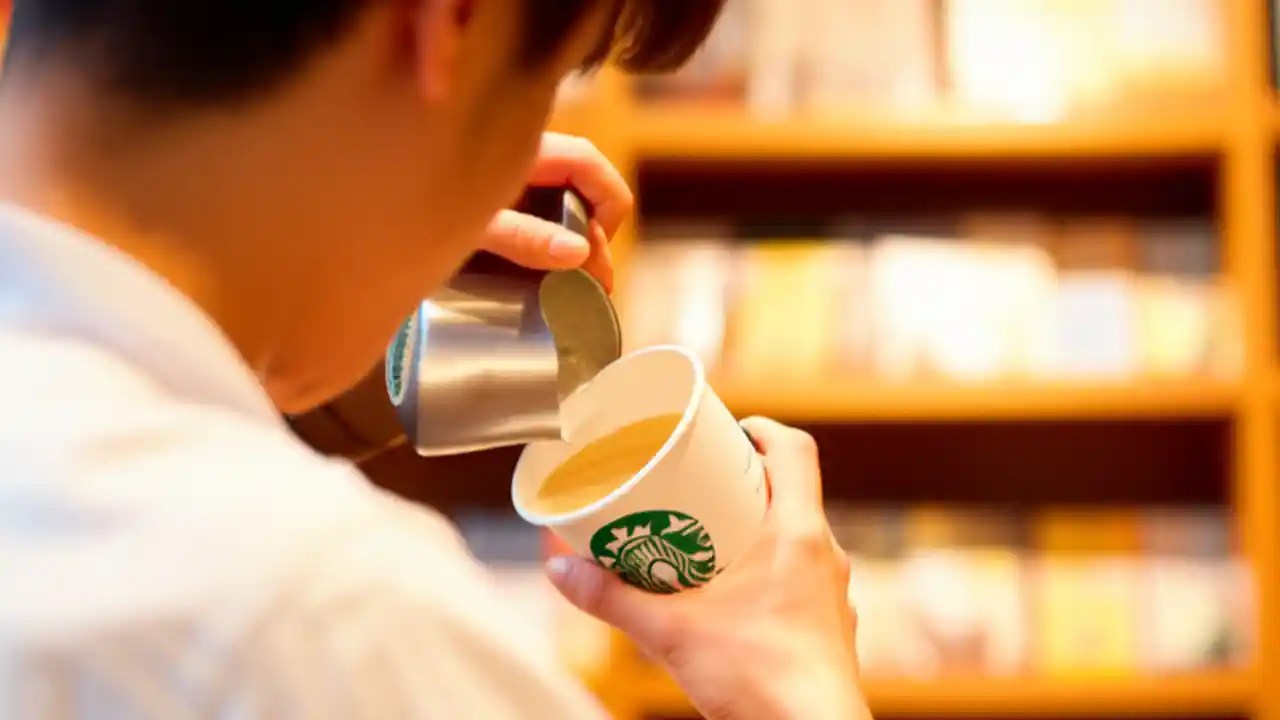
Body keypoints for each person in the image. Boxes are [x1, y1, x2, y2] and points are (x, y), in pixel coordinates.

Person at [0, 2, 870, 718]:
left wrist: (331, 262)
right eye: (551, 82)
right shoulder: (322, 620)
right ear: (455, 23)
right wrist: (799, 688)